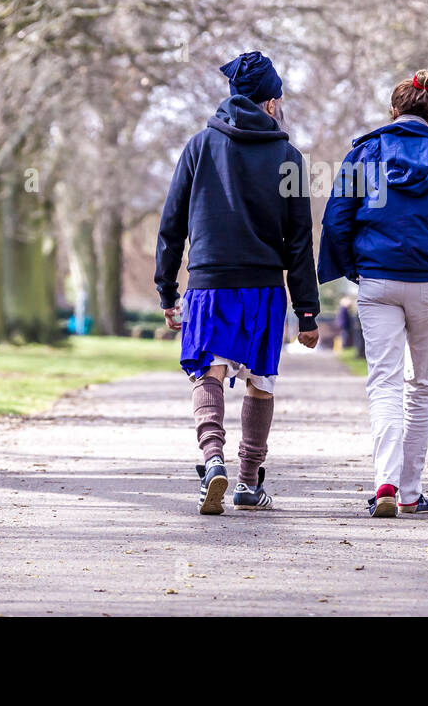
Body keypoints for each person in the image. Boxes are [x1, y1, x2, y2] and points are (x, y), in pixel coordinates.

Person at [318, 68, 428, 518]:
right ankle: (411, 492)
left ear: (393, 112)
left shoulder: (364, 154)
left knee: (383, 381)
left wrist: (354, 267)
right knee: (421, 384)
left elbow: (336, 219)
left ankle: (384, 482)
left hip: (378, 280)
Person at [155, 51, 320, 515]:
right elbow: (299, 241)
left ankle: (212, 461)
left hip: (208, 283)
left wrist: (167, 291)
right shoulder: (288, 157)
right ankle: (248, 481)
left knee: (209, 369)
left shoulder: (199, 147)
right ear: (270, 103)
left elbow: (172, 225)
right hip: (264, 288)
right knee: (260, 382)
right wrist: (307, 310)